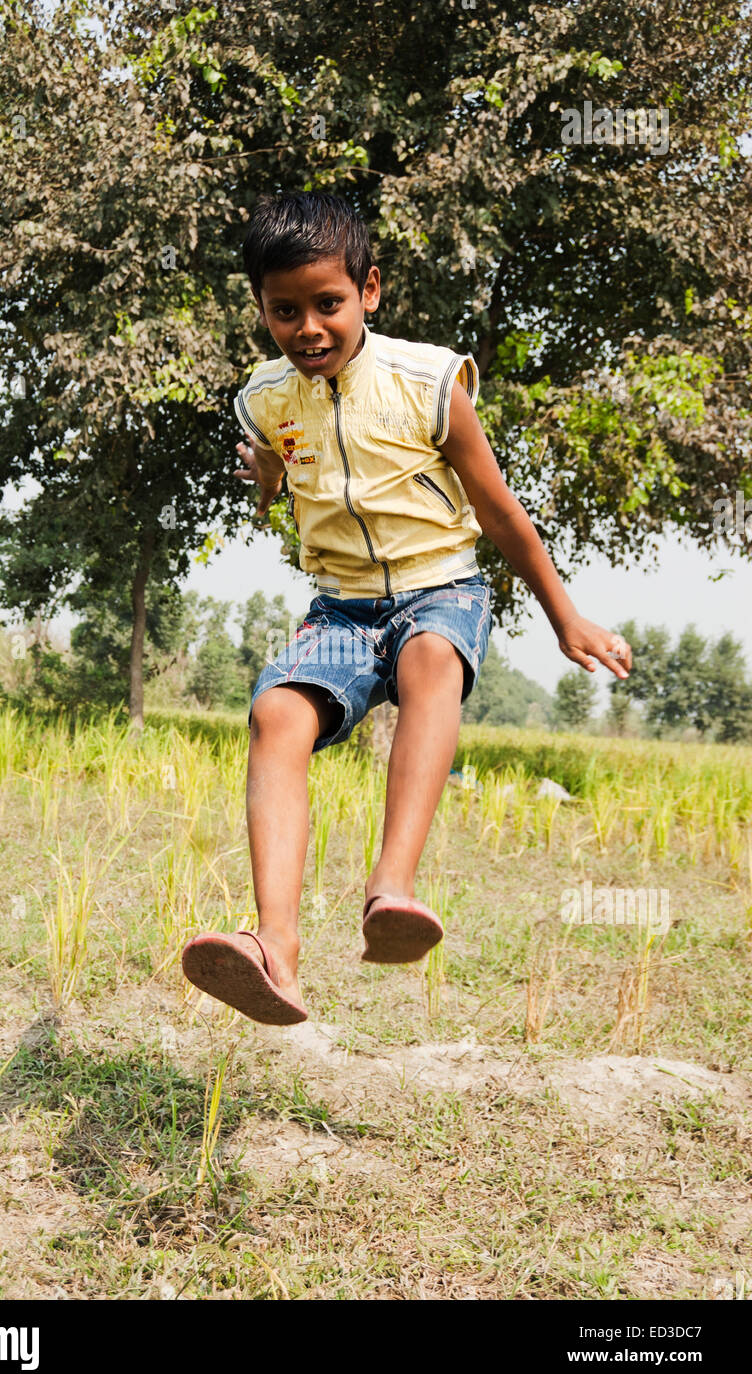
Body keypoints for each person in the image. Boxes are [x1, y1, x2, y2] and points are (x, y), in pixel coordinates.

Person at [181, 191, 632, 1025]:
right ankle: (274, 947)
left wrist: (567, 615)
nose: (309, 327)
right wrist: (272, 483)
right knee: (277, 714)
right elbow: (283, 472)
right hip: (343, 609)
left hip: (440, 587)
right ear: (262, 310)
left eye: (329, 304)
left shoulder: (428, 381)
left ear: (371, 292)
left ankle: (392, 889)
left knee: (430, 663)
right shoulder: (265, 399)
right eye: (286, 311)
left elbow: (498, 510)